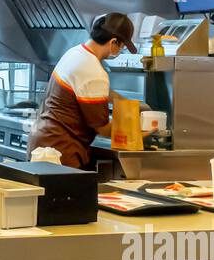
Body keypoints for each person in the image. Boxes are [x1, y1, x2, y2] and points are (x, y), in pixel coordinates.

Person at [27, 12, 139, 170]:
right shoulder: (94, 71)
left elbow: (96, 89)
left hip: (43, 144)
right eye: (121, 47)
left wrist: (127, 103)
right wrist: (137, 130)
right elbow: (102, 128)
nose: (119, 51)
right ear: (113, 42)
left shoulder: (76, 53)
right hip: (60, 154)